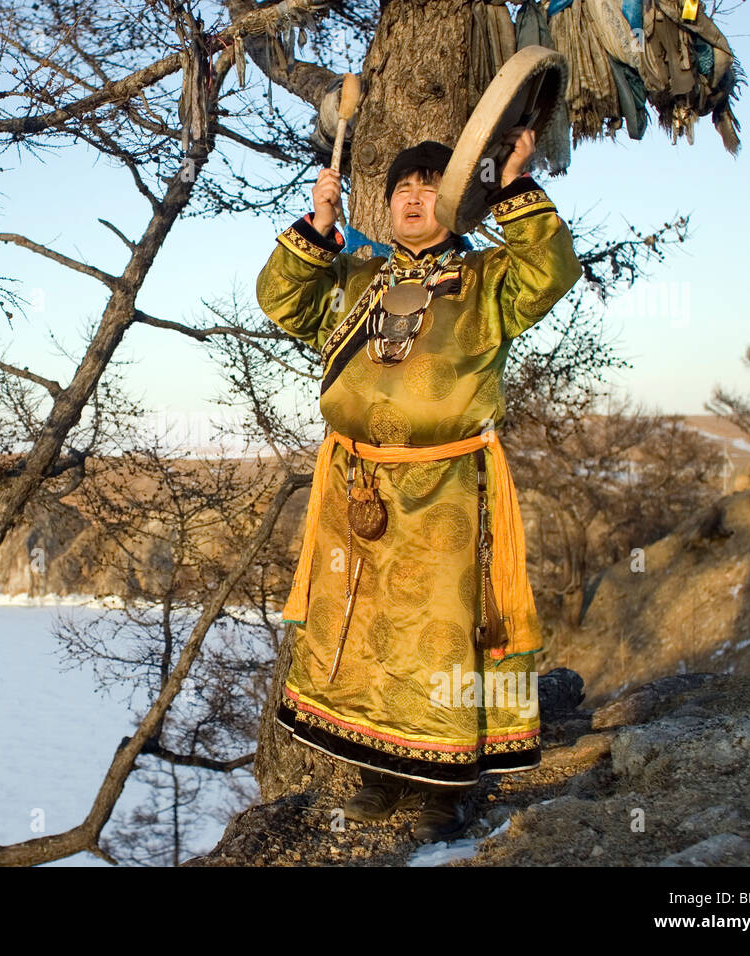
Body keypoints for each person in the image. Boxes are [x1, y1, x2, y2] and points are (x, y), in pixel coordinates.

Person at [255, 129, 582, 843]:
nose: (412, 196)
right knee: (362, 633)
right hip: (355, 488)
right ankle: (377, 772)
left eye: (431, 186)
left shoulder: (490, 281)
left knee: (442, 637)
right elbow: (281, 300)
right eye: (403, 186)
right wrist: (319, 225)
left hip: (446, 490)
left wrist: (516, 183)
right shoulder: (355, 279)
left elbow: (552, 270)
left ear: (460, 201)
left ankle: (445, 789)